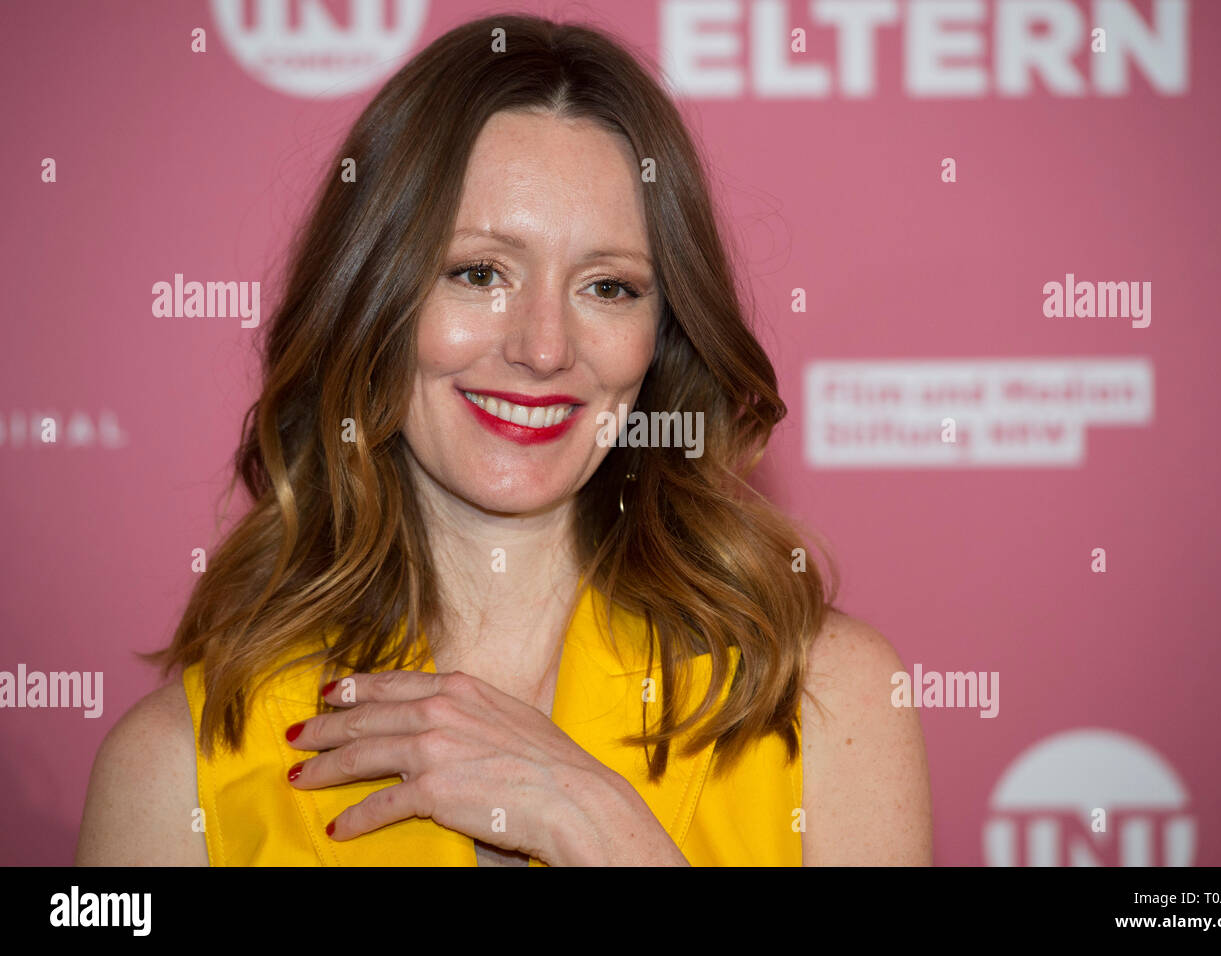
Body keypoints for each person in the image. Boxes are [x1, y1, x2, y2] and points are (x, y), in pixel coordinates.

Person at [76, 13, 931, 866]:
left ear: (663, 337)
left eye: (608, 287)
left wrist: (604, 829)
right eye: (479, 273)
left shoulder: (826, 700)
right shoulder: (175, 770)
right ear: (373, 298)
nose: (545, 347)